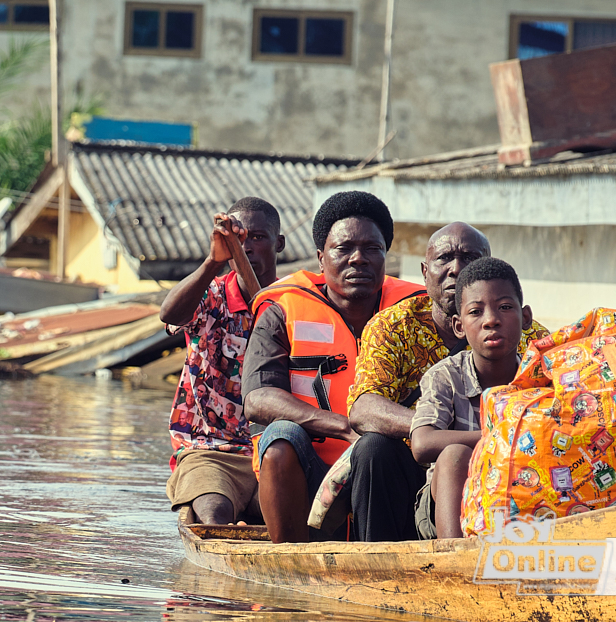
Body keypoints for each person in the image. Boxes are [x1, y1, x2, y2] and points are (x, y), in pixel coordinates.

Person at [244, 191, 424, 543]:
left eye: (373, 249)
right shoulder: (282, 310)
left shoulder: (413, 312)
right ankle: (288, 563)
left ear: (386, 257)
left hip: (386, 468)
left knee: (377, 448)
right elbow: (258, 399)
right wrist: (344, 427)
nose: (359, 260)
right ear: (321, 258)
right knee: (280, 437)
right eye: (344, 249)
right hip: (311, 470)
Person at [345, 222, 489, 541]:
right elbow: (363, 408)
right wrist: (436, 431)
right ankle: (377, 570)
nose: (456, 269)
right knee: (373, 448)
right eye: (444, 258)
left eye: (470, 258)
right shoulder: (392, 327)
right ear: (425, 272)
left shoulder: (522, 331)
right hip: (412, 471)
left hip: (497, 466)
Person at [161, 197, 284, 525]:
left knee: (283, 520)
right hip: (209, 450)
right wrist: (214, 262)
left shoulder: (290, 303)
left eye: (258, 238)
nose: (247, 249)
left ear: (279, 244)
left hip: (269, 449)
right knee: (215, 514)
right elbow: (169, 314)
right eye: (240, 240)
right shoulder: (211, 294)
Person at [410, 257, 532, 538]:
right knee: (455, 455)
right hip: (451, 507)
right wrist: (500, 436)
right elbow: (422, 442)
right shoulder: (446, 376)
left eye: (504, 308)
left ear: (525, 317)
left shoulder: (539, 378)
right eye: (476, 312)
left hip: (522, 497)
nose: (491, 320)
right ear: (459, 326)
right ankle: (454, 563)